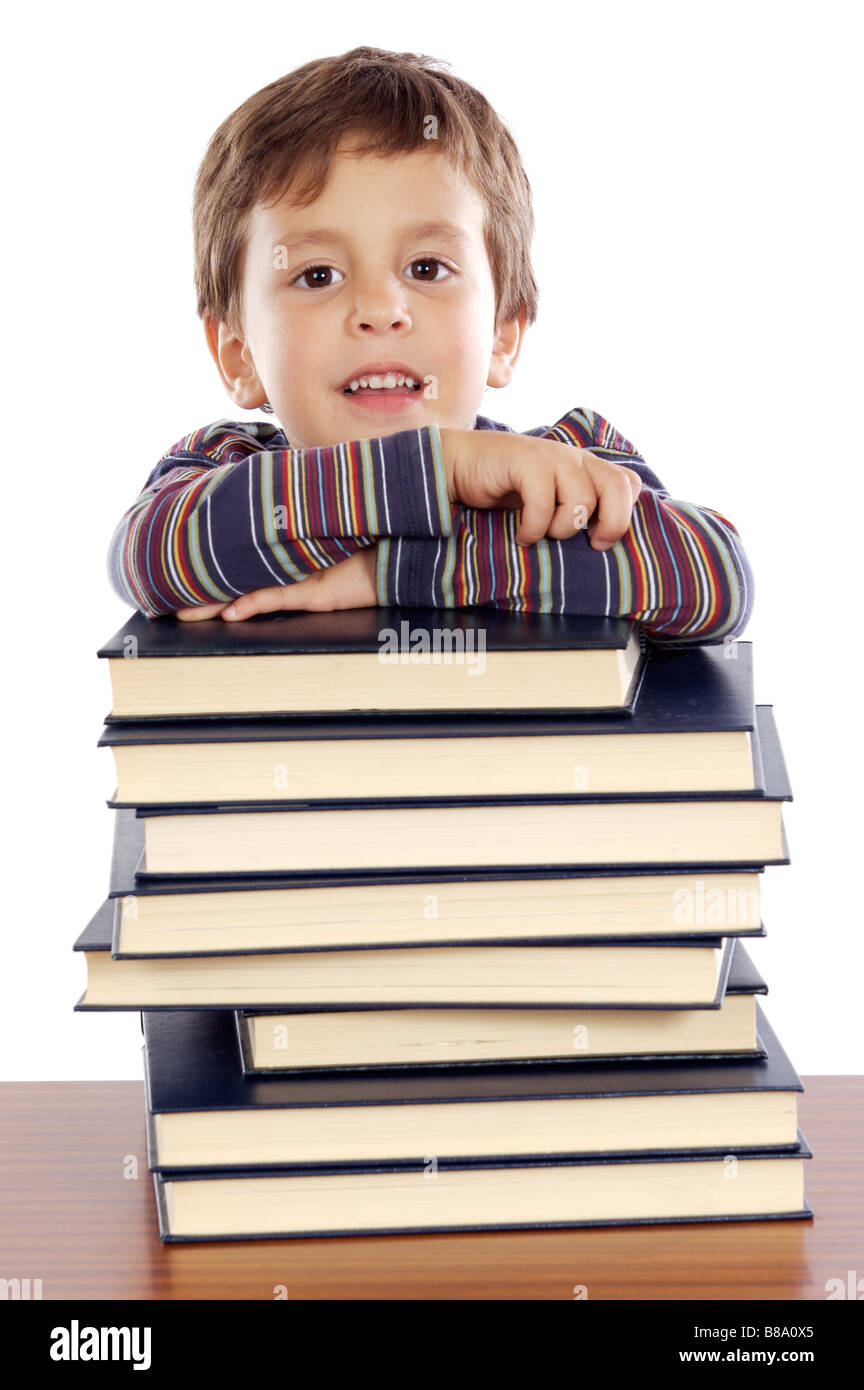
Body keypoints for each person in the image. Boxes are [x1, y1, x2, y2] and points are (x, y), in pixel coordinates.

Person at [108, 46, 752, 646]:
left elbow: (714, 579)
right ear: (239, 354)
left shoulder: (569, 459)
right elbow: (151, 558)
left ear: (504, 332)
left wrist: (384, 572)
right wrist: (437, 469)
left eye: (426, 269)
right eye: (317, 275)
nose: (380, 310)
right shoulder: (215, 468)